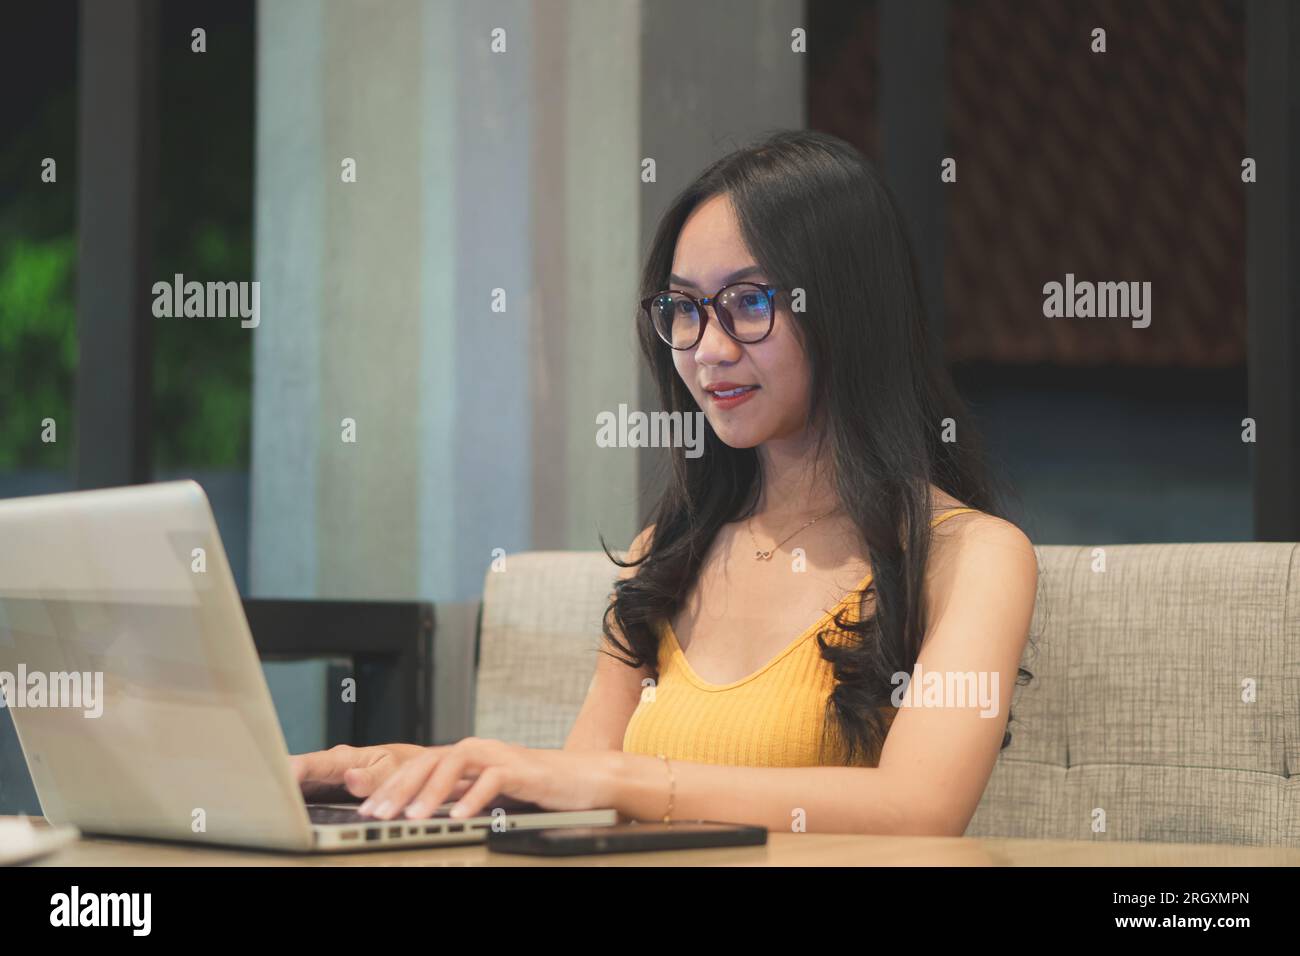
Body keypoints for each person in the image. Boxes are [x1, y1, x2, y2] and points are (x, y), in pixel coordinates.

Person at [291, 129, 1039, 835]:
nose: (707, 350)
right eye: (684, 309)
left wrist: (626, 783)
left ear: (847, 309)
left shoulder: (974, 556)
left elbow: (918, 806)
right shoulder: (673, 550)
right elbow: (581, 790)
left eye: (749, 303)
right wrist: (402, 770)